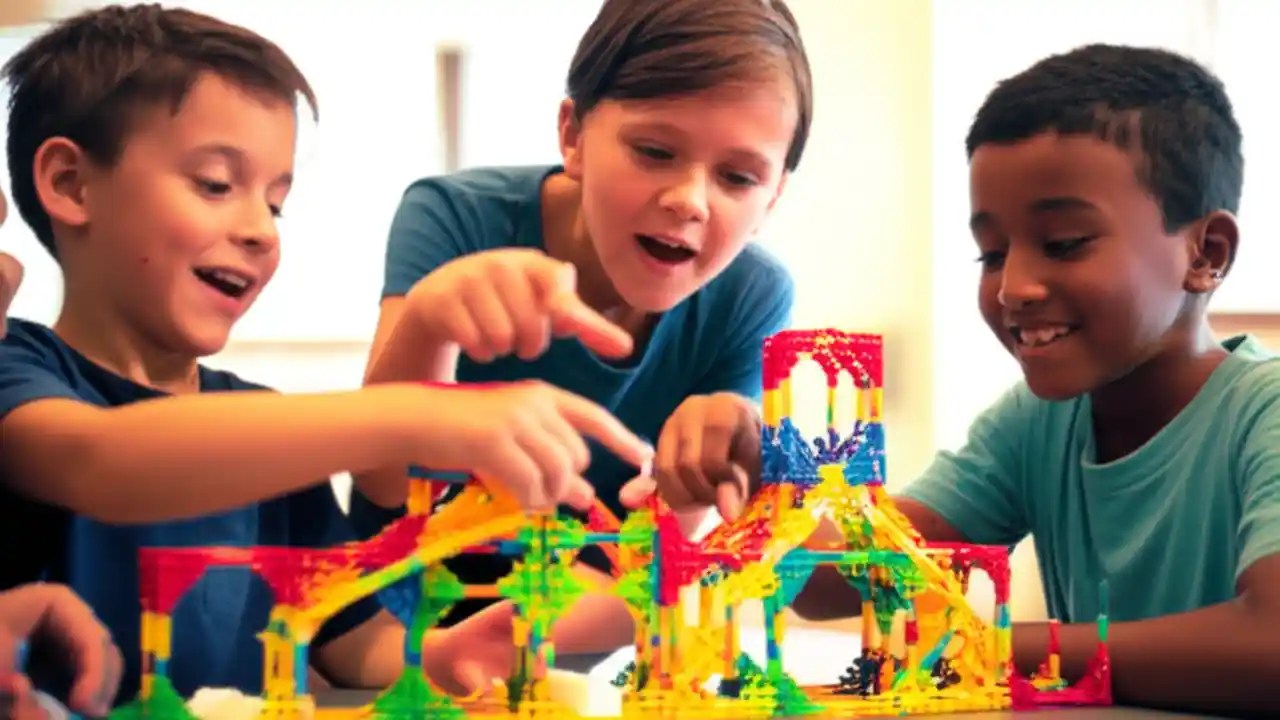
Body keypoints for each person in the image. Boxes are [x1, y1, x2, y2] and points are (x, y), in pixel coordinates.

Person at [0, 3, 650, 709]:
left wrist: (436, 655)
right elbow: (103, 461)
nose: (258, 231)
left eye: (275, 203)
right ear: (70, 183)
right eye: (216, 184)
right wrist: (404, 416)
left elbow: (350, 638)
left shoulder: (261, 426)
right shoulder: (18, 369)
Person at [775, 45, 1277, 715]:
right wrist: (766, 471)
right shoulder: (1038, 423)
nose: (1013, 288)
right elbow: (831, 585)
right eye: (992, 253)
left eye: (1065, 243)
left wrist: (994, 646)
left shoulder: (1263, 412)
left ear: (1205, 254)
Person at [351, 0, 811, 630]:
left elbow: (659, 567)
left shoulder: (751, 295)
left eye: (737, 177)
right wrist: (431, 320)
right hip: (390, 628)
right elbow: (380, 480)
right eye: (654, 151)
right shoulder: (455, 217)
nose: (689, 201)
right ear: (573, 136)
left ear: (774, 196)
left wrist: (724, 449)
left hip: (576, 632)